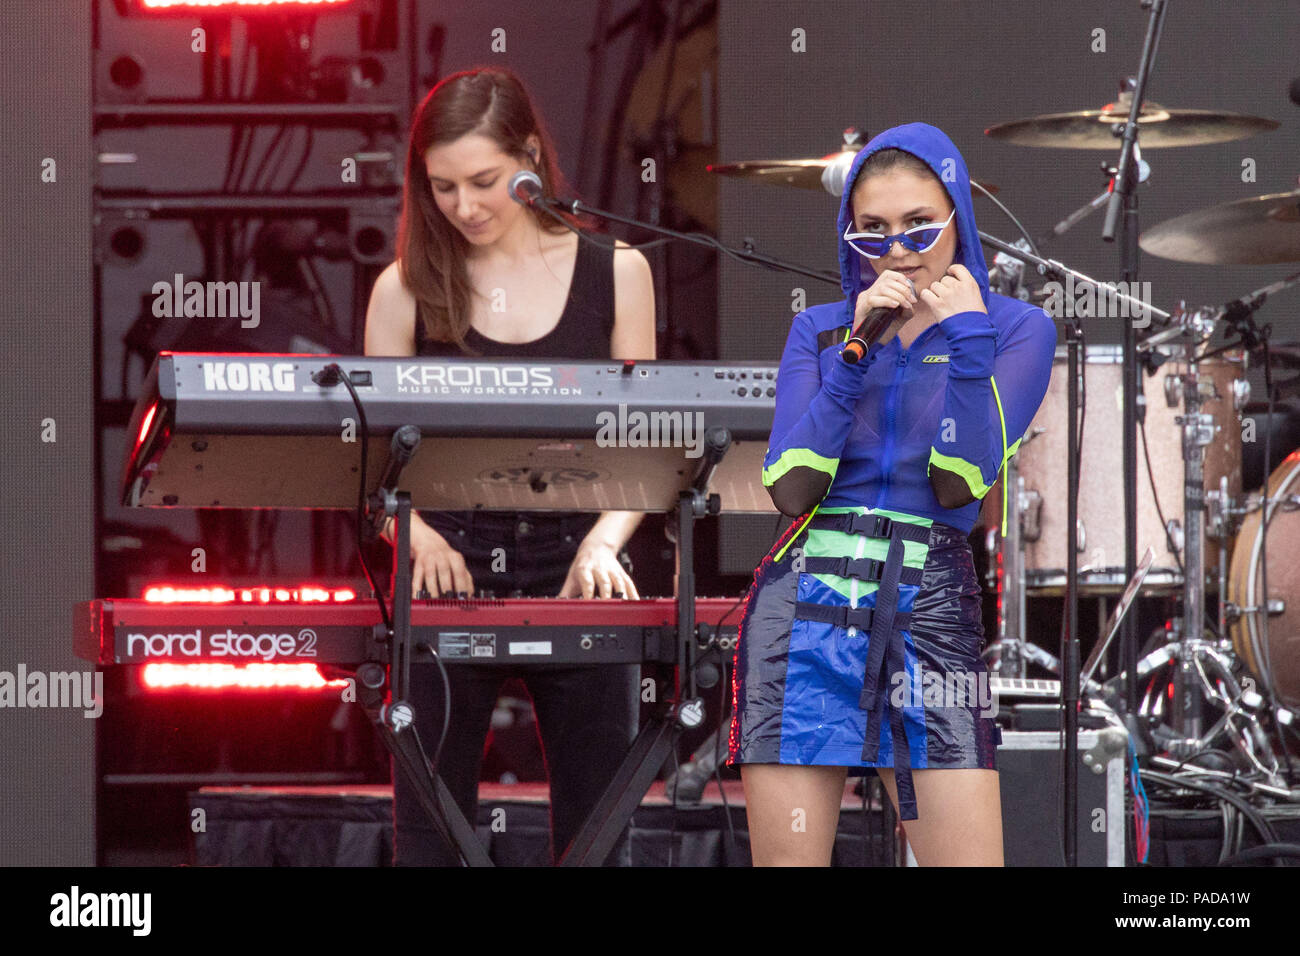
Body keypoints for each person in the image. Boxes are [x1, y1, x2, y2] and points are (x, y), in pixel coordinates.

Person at [728, 123, 1056, 866]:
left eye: (918, 225)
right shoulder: (820, 330)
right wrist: (859, 349)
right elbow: (792, 487)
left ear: (957, 219)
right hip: (804, 608)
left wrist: (967, 340)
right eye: (871, 231)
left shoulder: (1016, 330)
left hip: (930, 602)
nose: (897, 248)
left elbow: (959, 480)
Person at [364, 67, 655, 865]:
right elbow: (371, 465)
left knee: (601, 830)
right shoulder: (404, 290)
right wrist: (417, 535)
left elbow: (649, 444)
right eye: (444, 187)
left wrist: (604, 543)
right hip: (444, 559)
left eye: (485, 181)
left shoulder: (616, 271)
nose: (464, 207)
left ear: (529, 159)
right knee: (430, 836)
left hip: (578, 557)